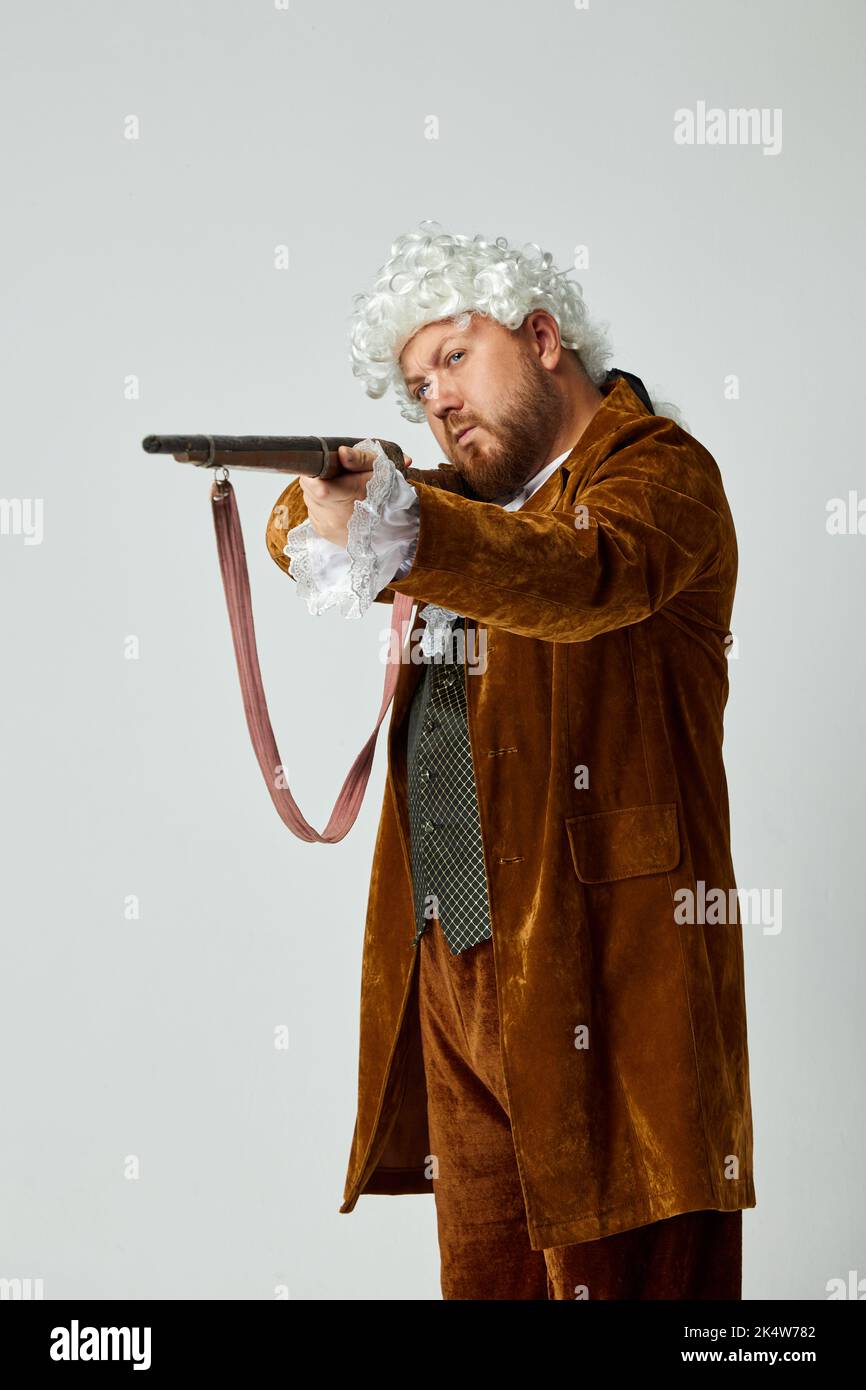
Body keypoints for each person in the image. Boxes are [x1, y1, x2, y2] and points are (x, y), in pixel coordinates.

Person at [265, 222, 756, 1300]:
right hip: (450, 960)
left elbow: (579, 574)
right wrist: (333, 493)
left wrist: (400, 521)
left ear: (540, 337)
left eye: (452, 355)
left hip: (612, 970)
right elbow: (312, 521)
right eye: (414, 384)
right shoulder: (466, 503)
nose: (434, 394)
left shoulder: (658, 476)